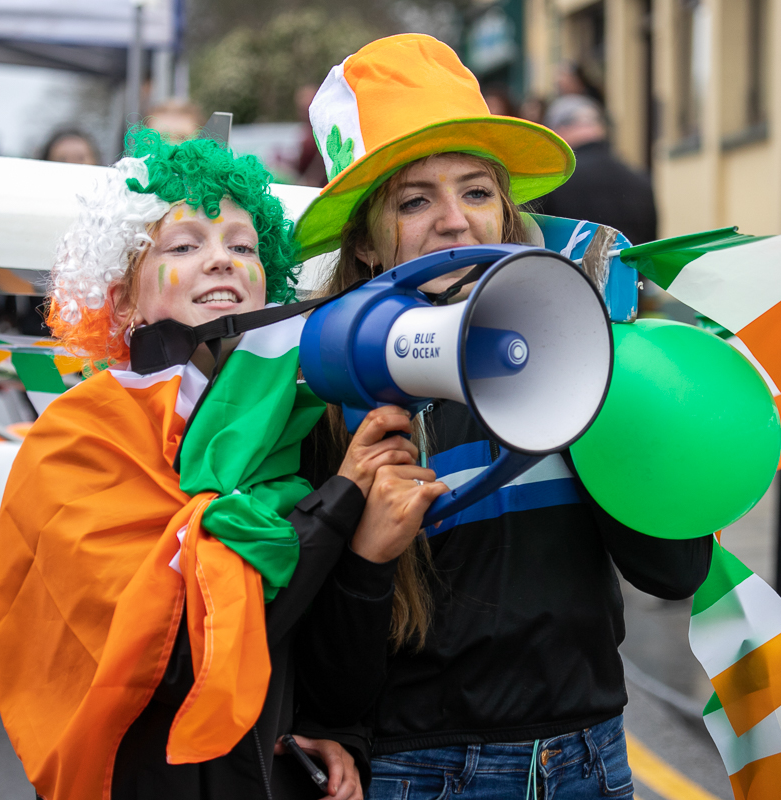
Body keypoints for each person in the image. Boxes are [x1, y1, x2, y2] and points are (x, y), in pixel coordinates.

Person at [292, 35, 713, 800]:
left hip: (590, 757)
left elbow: (674, 571)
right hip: (424, 771)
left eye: (477, 191)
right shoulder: (325, 405)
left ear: (508, 211)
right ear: (366, 247)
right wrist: (363, 552)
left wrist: (617, 406)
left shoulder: (580, 347)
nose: (456, 222)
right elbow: (327, 680)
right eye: (415, 199)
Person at [0, 127, 441, 800]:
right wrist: (336, 506)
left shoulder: (298, 424)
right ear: (124, 298)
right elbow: (171, 654)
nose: (221, 260)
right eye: (185, 245)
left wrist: (332, 727)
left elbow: (332, 658)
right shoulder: (76, 439)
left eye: (242, 246)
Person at [536, 94, 657, 245]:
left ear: (560, 130)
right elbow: (649, 248)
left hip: (571, 268)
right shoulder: (641, 180)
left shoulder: (554, 182)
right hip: (630, 268)